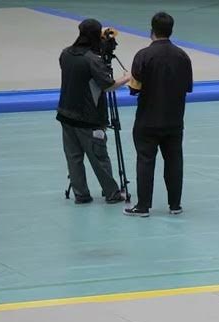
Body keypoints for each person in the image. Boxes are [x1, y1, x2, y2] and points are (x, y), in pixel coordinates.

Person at [122, 12, 192, 218]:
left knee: (145, 160)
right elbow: (187, 87)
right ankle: (175, 204)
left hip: (147, 119)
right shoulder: (182, 56)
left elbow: (135, 88)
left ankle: (143, 206)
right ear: (171, 30)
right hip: (174, 119)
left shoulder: (143, 55)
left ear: (151, 30)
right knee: (174, 160)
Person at [57, 18, 131, 205]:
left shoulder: (65, 54)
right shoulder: (93, 60)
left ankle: (80, 194)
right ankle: (112, 193)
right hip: (88, 118)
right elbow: (107, 86)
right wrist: (127, 78)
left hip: (65, 114)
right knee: (99, 157)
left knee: (74, 158)